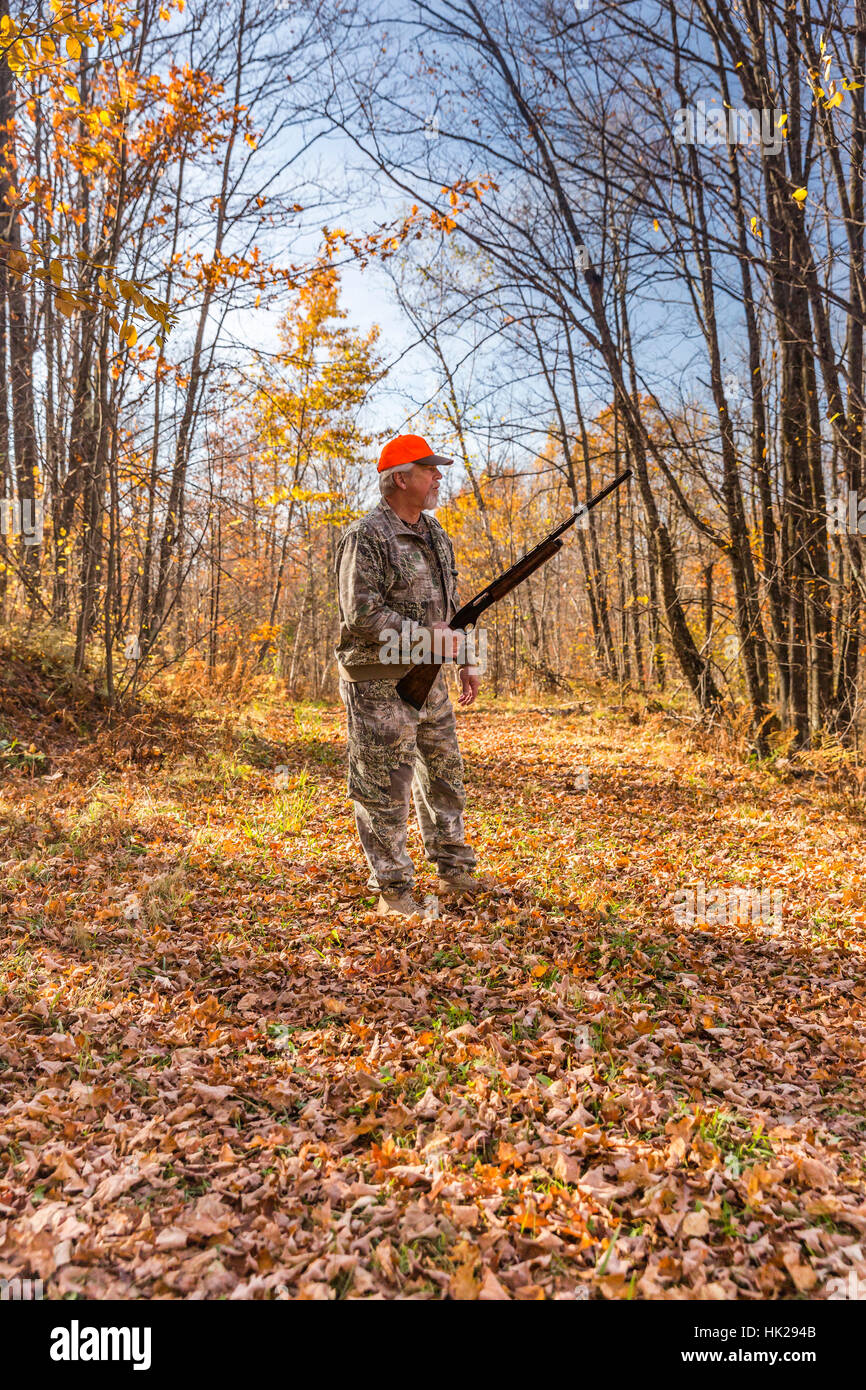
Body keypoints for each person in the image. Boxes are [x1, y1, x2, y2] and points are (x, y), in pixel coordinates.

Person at [334, 433, 487, 916]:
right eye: (428, 468)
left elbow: (452, 608)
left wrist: (465, 656)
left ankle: (453, 870)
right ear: (400, 478)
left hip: (431, 679)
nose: (438, 475)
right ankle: (395, 891)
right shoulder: (366, 536)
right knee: (384, 786)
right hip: (378, 682)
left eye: (436, 468)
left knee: (444, 774)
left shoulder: (436, 534)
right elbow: (362, 616)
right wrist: (429, 638)